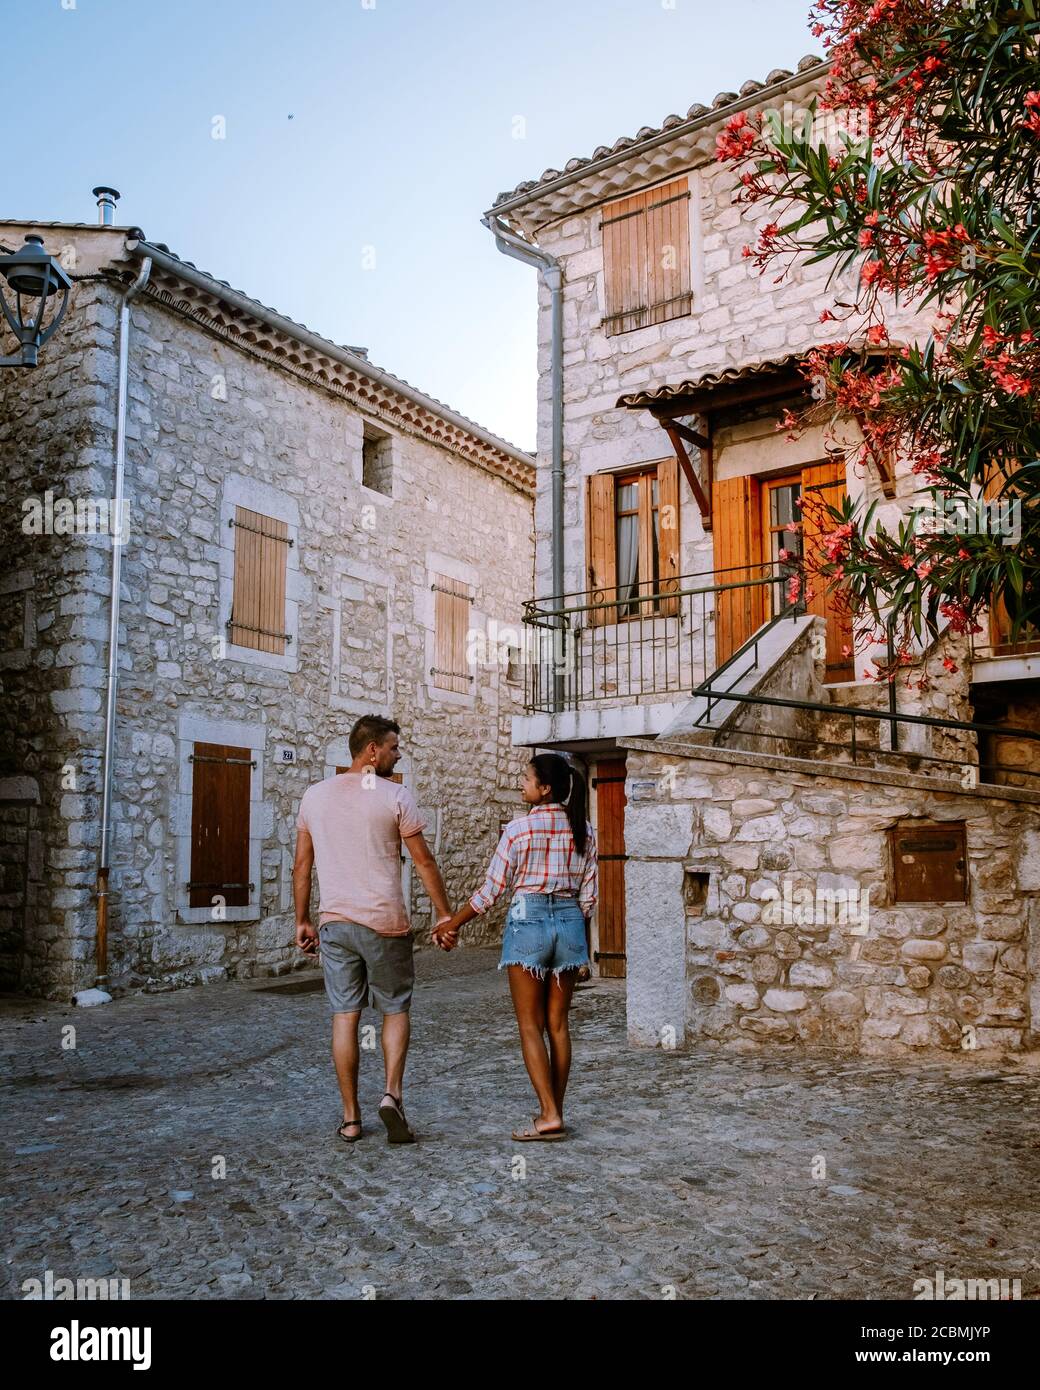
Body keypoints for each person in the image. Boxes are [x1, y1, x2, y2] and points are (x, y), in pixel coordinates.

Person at [294, 715, 453, 1145]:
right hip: (385, 924)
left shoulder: (314, 797)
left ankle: (350, 1118)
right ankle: (391, 1096)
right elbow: (423, 861)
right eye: (394, 747)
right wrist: (443, 914)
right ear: (372, 751)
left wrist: (303, 919)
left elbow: (302, 866)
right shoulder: (396, 796)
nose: (398, 754)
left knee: (345, 1015)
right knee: (395, 1008)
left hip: (336, 924)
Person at [434, 753, 597, 1142]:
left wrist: (450, 925)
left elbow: (490, 892)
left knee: (530, 1026)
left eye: (526, 779)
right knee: (558, 1025)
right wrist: (581, 944)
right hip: (571, 922)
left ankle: (548, 1114)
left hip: (528, 922)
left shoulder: (518, 830)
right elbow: (589, 898)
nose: (520, 784)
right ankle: (553, 1111)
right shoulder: (586, 831)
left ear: (545, 789)